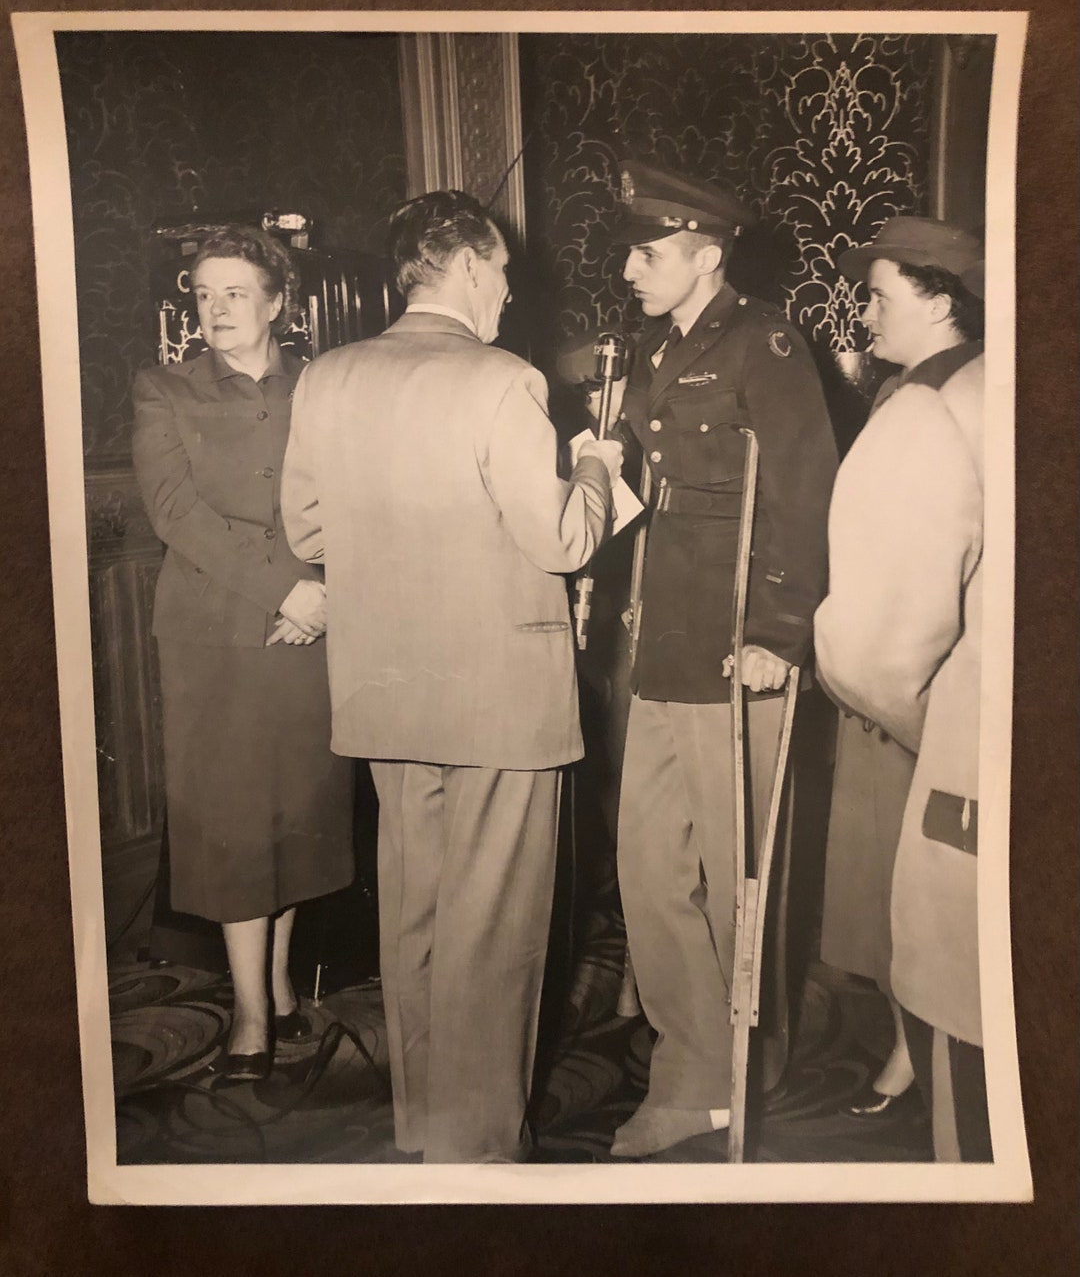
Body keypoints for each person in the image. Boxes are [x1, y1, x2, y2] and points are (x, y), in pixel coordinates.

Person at [281, 190, 623, 1163]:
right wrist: (595, 462)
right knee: (496, 936)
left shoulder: (330, 376)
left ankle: (424, 1132)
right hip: (499, 704)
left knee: (419, 919)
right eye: (504, 271)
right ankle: (479, 1161)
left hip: (388, 695)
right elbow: (560, 538)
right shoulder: (501, 380)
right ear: (469, 263)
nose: (511, 292)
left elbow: (306, 531)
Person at [593, 161, 838, 1158]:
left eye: (647, 251)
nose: (628, 266)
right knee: (651, 870)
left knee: (741, 873)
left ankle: (730, 1067)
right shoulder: (658, 346)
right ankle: (702, 1062)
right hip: (660, 644)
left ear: (705, 252)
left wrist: (782, 633)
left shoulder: (764, 342)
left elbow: (808, 493)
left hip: (740, 646)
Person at [132, 225, 355, 1082]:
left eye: (234, 292)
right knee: (230, 826)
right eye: (202, 294)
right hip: (216, 636)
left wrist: (321, 594)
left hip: (310, 627)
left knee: (294, 819)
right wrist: (286, 589)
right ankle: (251, 1022)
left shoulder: (324, 386)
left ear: (276, 301)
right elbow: (177, 515)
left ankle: (287, 991)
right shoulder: (165, 390)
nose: (216, 310)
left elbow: (354, 494)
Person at [816, 217, 989, 1161]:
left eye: (879, 295)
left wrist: (946, 733)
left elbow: (876, 650)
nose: (865, 312)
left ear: (937, 299)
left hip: (935, 738)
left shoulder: (926, 407)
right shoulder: (991, 384)